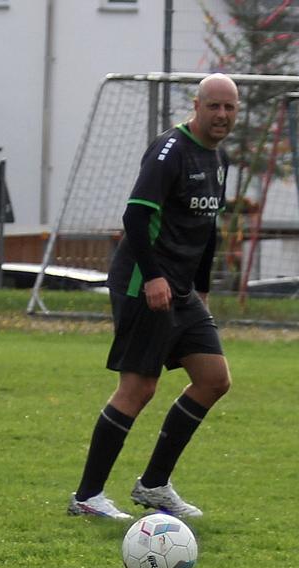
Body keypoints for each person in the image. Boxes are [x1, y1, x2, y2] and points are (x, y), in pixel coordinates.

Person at [68, 73, 237, 520]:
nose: (222, 115)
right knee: (139, 387)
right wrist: (154, 276)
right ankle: (87, 497)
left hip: (181, 289)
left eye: (230, 108)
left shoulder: (219, 159)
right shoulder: (170, 151)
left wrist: (200, 288)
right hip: (144, 282)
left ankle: (154, 485)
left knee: (214, 379)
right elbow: (136, 217)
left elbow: (208, 228)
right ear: (196, 106)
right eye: (214, 106)